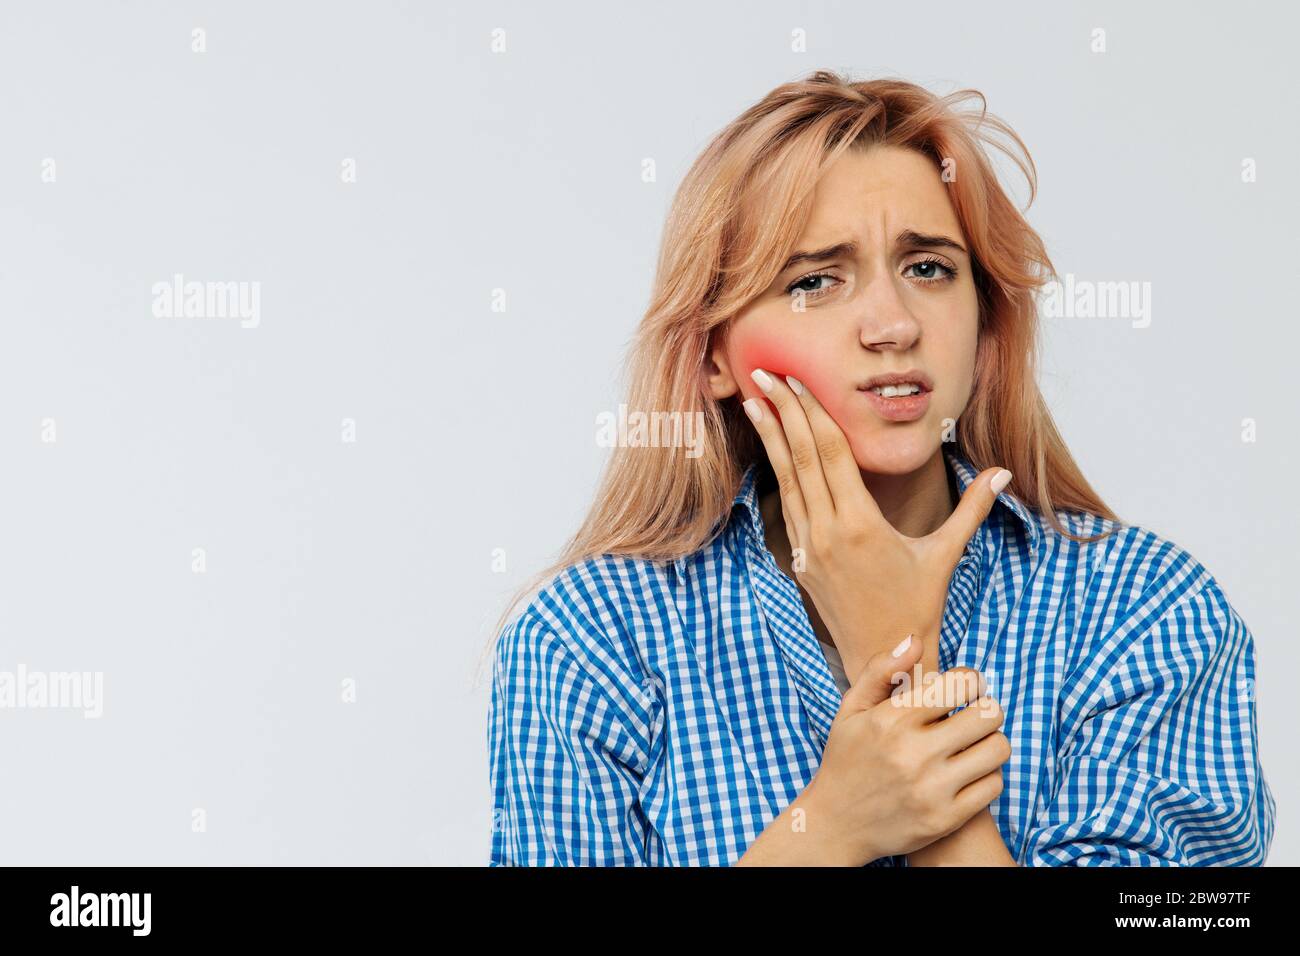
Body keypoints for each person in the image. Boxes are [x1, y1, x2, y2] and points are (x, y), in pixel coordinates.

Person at [486, 70, 1276, 866]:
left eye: (929, 268)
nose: (893, 325)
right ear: (714, 353)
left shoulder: (1147, 611)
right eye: (814, 282)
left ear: (986, 325)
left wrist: (898, 666)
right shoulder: (588, 639)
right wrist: (830, 831)